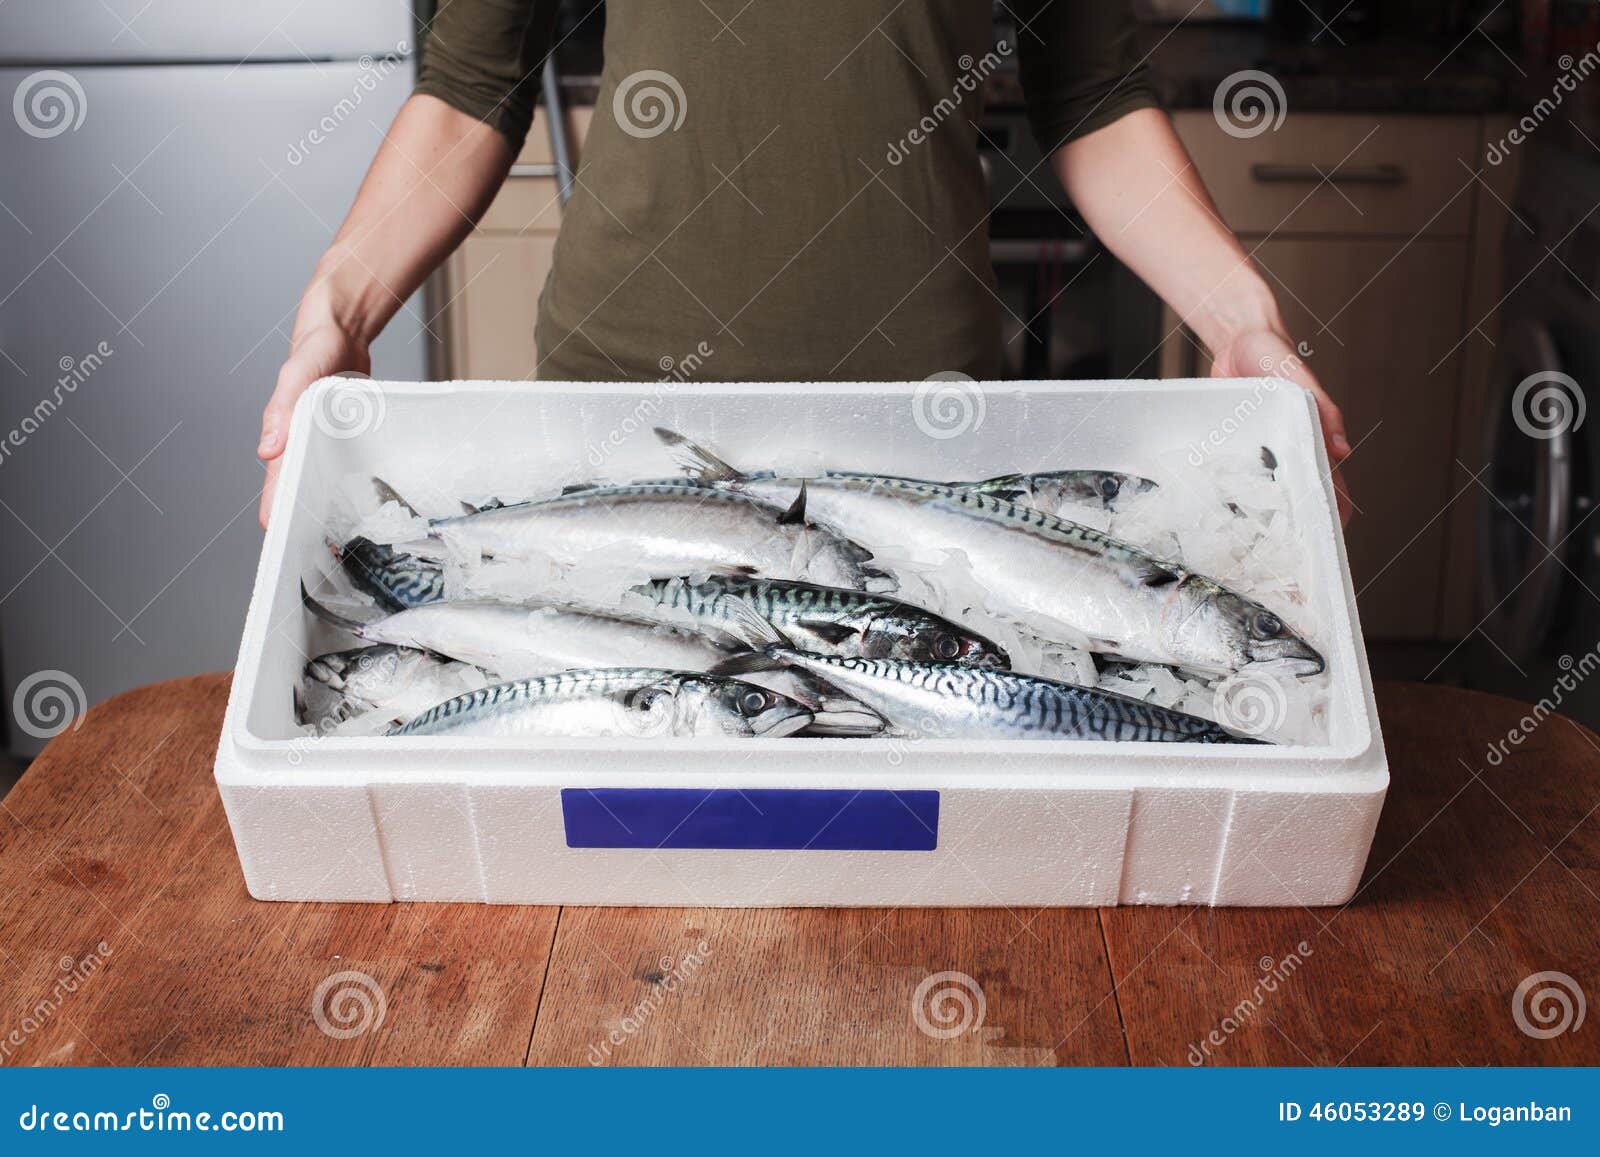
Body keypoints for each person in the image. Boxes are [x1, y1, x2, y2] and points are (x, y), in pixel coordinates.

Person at [257, 0, 1350, 528]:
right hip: (628, 415)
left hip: (924, 430)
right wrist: (337, 306)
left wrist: (1238, 316)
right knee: (631, 839)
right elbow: (470, 86)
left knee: (901, 861)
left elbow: (1094, 94)